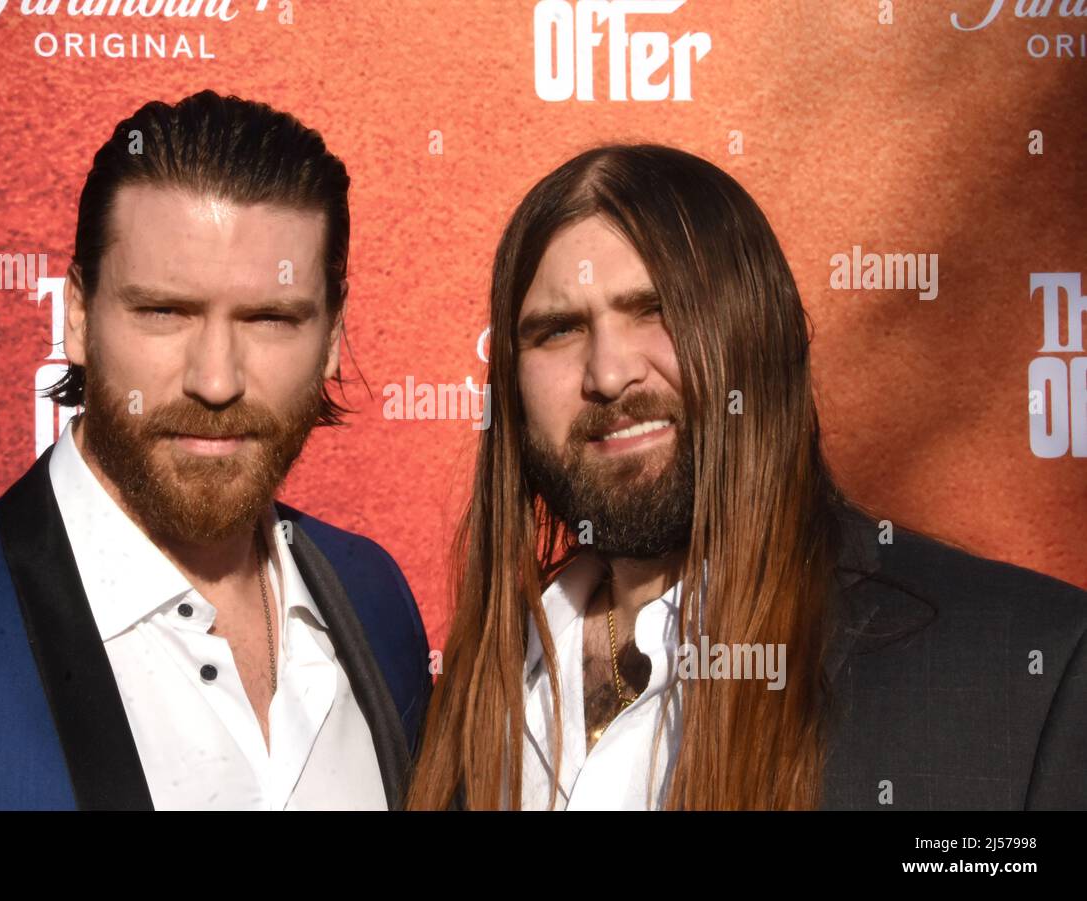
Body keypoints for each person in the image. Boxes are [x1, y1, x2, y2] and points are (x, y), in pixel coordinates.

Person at [0, 90, 431, 811]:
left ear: (333, 338)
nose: (215, 380)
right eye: (163, 311)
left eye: (270, 318)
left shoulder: (375, 600)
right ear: (76, 315)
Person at [407, 143, 1087, 811]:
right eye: (558, 330)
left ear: (758, 334)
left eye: (658, 309)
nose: (609, 373)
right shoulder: (460, 700)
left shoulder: (1021, 675)